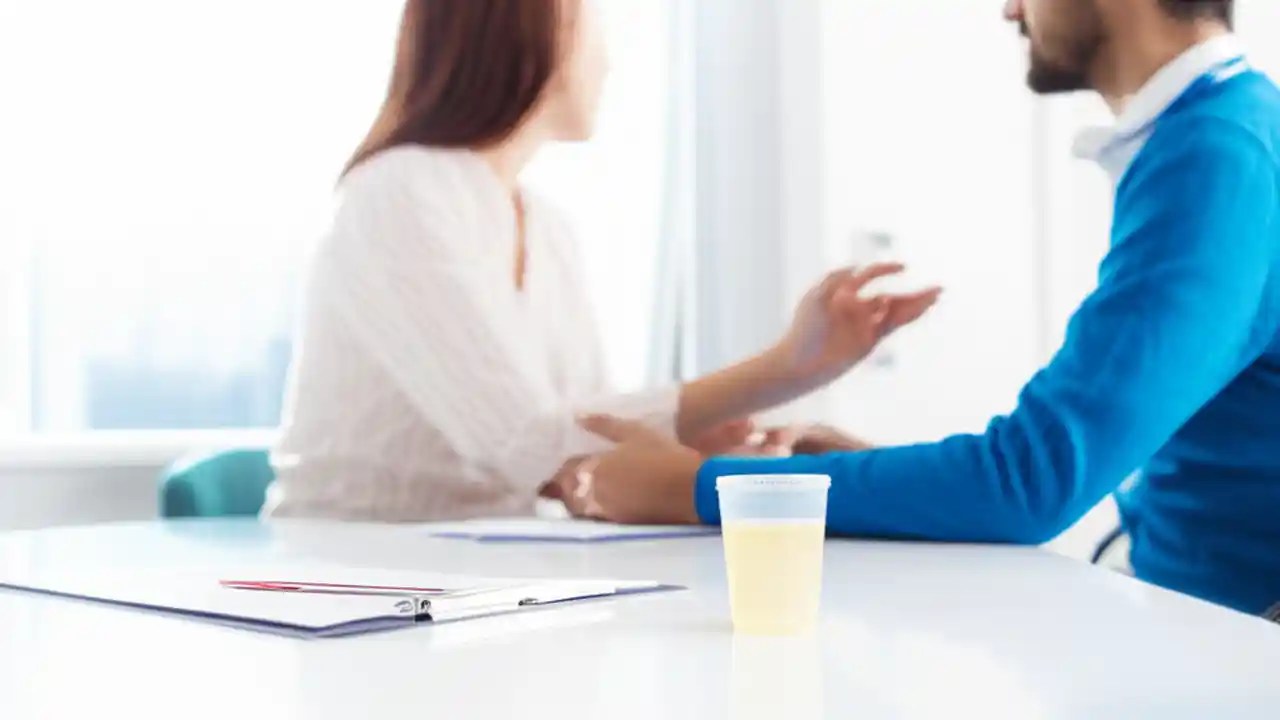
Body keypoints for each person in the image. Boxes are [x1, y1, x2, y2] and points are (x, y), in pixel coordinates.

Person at [571, 0, 1280, 617]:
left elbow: (1028, 484)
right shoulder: (1217, 134)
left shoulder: (1220, 157)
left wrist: (690, 488)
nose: (1010, 11)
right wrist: (879, 478)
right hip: (1174, 616)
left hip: (1221, 652)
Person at [263, 0, 940, 522]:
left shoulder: (548, 228)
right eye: (593, 21)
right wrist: (788, 367)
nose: (607, 59)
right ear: (544, 23)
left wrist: (699, 448)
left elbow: (581, 441)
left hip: (481, 572)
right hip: (348, 575)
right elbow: (528, 443)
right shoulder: (399, 194)